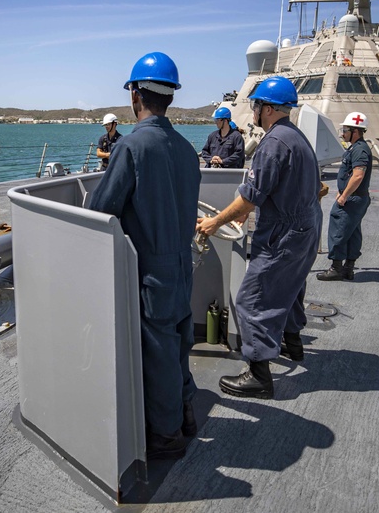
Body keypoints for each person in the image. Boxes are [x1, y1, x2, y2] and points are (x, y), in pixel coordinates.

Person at [87, 52, 201, 460]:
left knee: (158, 354)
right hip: (183, 265)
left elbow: (100, 212)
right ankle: (187, 412)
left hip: (152, 271)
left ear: (136, 95)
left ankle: (168, 435)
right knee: (180, 342)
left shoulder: (132, 148)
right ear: (169, 97)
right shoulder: (188, 151)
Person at [197, 76, 321, 399]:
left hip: (283, 237)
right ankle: (292, 344)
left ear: (267, 109)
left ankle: (258, 374)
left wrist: (214, 223)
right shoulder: (298, 139)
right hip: (306, 231)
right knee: (291, 288)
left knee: (252, 299)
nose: (253, 110)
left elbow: (249, 197)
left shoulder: (273, 144)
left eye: (255, 105)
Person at [317, 112, 372, 281]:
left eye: (345, 130)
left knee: (338, 228)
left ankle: (336, 268)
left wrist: (344, 195)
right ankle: (348, 268)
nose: (342, 133)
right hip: (355, 197)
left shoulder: (360, 149)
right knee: (352, 231)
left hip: (352, 199)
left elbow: (357, 175)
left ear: (355, 131)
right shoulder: (355, 148)